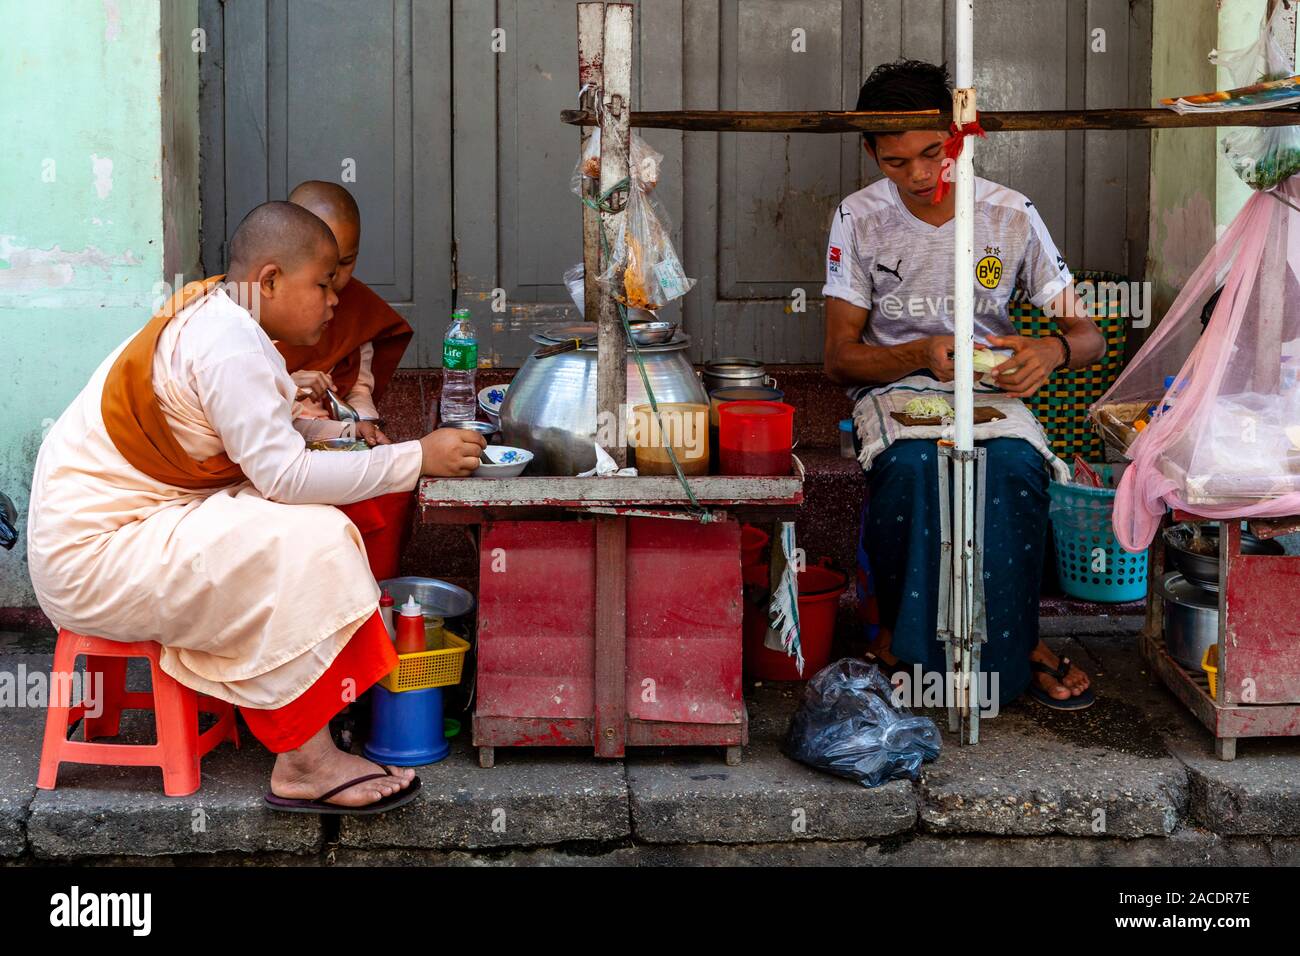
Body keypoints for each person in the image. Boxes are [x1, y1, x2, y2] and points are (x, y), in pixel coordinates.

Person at [27, 201, 486, 812]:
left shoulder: (223, 313)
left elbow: (241, 434)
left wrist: (321, 427)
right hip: (95, 558)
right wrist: (416, 458)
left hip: (137, 527)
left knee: (315, 527)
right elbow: (284, 476)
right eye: (323, 285)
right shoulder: (230, 343)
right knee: (306, 541)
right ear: (269, 280)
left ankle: (309, 727)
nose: (334, 301)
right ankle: (304, 760)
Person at [822, 60, 1106, 710]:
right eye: (896, 162)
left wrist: (1052, 349)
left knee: (1012, 466)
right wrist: (919, 350)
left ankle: (1020, 642)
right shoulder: (858, 218)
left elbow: (1088, 336)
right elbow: (839, 359)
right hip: (896, 392)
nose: (920, 175)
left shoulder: (1008, 214)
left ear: (960, 136)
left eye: (934, 153)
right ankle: (900, 639)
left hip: (990, 393)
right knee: (912, 467)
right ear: (870, 152)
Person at [279, 180, 416, 580]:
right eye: (324, 268)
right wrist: (292, 384)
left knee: (389, 490)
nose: (336, 280)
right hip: (281, 436)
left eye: (347, 262)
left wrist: (363, 422)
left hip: (335, 431)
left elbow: (359, 383)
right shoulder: (256, 306)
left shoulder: (355, 307)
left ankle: (375, 589)